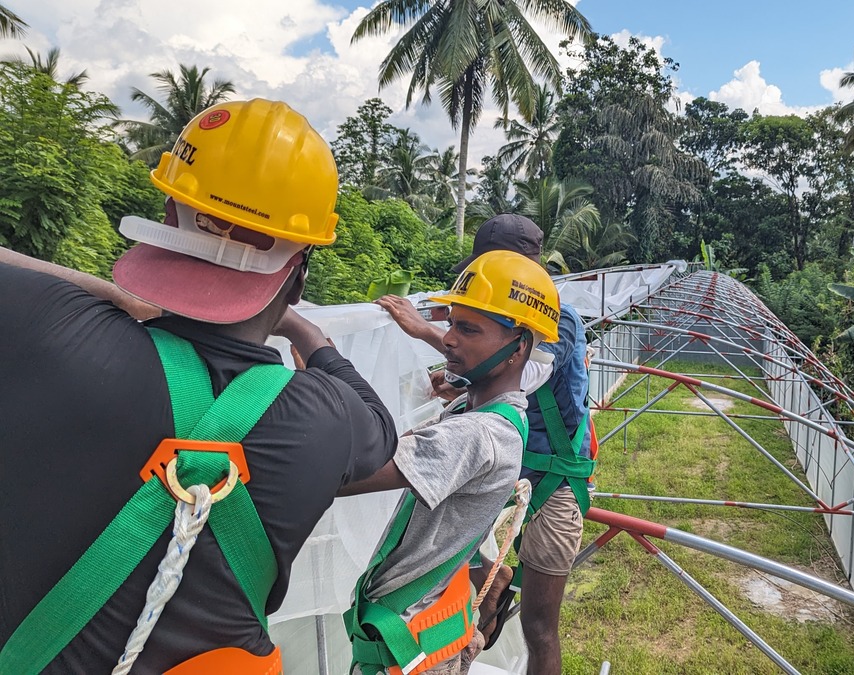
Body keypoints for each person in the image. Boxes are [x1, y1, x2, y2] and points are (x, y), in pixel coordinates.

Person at [0, 99, 398, 674]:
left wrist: (91, 289)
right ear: (300, 267)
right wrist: (300, 324)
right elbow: (379, 428)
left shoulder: (51, 331)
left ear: (168, 213)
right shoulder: (325, 416)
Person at [377, 214, 594, 675]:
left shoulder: (556, 319)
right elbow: (496, 374)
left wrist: (421, 330)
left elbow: (528, 373)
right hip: (503, 467)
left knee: (539, 627)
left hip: (552, 480)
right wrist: (458, 382)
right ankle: (493, 587)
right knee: (456, 552)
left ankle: (496, 591)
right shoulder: (484, 433)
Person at [340, 250, 562, 675]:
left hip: (412, 645)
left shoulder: (479, 433)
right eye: (450, 323)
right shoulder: (475, 411)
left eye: (467, 328)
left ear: (518, 347)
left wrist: (325, 371)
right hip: (431, 628)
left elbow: (350, 472)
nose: (446, 338)